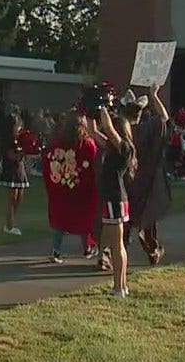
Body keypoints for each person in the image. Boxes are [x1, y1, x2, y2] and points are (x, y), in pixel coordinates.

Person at [42, 110, 99, 263]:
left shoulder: (56, 144)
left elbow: (49, 164)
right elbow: (94, 165)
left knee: (59, 220)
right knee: (84, 219)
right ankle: (87, 248)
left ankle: (56, 250)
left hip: (61, 189)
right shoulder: (87, 145)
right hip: (83, 191)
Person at [91, 106, 136, 297]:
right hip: (116, 199)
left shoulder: (124, 147)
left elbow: (108, 129)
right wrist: (90, 111)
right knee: (117, 245)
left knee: (117, 246)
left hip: (114, 198)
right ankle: (122, 285)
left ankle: (119, 287)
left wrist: (103, 108)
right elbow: (94, 132)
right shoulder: (113, 146)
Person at [125, 86, 172, 266]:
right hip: (144, 182)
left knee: (123, 223)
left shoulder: (122, 129)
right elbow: (164, 117)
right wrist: (154, 95)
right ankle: (152, 251)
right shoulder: (147, 129)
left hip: (128, 182)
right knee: (146, 222)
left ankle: (110, 255)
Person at [0, 111, 32, 235]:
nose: (19, 128)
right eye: (17, 125)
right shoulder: (8, 141)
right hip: (10, 170)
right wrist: (25, 150)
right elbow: (13, 157)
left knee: (19, 198)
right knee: (12, 198)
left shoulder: (20, 139)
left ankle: (12, 221)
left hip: (20, 170)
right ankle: (9, 226)